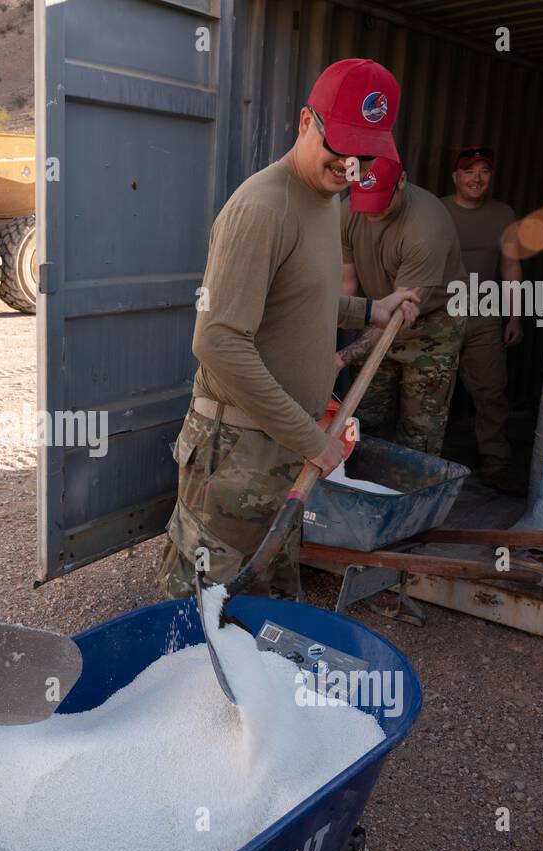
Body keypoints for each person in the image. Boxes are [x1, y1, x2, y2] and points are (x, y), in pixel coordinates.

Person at [156, 59, 418, 600]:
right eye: (339, 146)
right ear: (305, 122)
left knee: (264, 604)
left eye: (364, 155)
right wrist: (312, 441)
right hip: (236, 452)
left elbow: (299, 298)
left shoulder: (324, 200)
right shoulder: (262, 207)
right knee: (206, 605)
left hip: (279, 445)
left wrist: (371, 310)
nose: (349, 165)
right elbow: (218, 340)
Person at [338, 156, 468, 457]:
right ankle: (362, 492)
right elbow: (345, 287)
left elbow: (399, 317)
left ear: (402, 181)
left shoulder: (426, 228)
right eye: (364, 200)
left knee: (418, 432)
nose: (371, 211)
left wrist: (342, 358)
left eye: (380, 200)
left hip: (433, 326)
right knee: (364, 419)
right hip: (377, 315)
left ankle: (409, 499)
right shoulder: (346, 213)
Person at [442, 145, 526, 493]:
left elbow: (510, 267)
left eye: (484, 172)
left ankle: (496, 465)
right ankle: (422, 463)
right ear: (456, 176)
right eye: (469, 171)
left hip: (485, 313)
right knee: (429, 394)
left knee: (491, 391)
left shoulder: (503, 214)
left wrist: (515, 316)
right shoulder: (437, 211)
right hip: (439, 314)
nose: (477, 178)